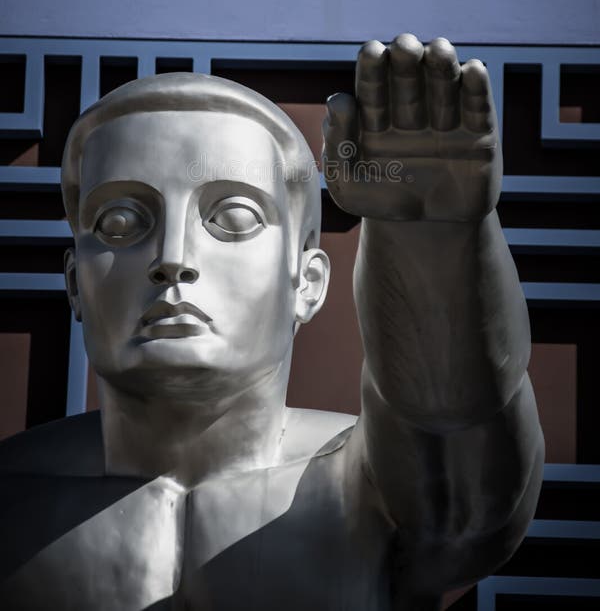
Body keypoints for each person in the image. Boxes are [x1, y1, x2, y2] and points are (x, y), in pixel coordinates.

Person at [0, 35, 544, 611]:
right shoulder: (11, 501)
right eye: (119, 221)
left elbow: (463, 454)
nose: (174, 257)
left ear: (306, 282)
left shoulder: (367, 488)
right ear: (74, 282)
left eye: (233, 217)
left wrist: (433, 242)